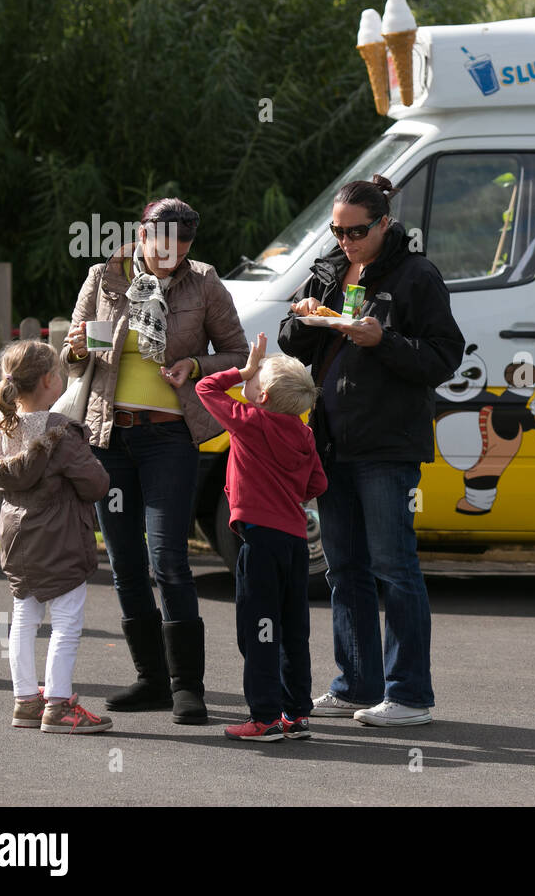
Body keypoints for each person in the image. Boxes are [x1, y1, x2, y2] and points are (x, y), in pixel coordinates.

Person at [279, 174, 464, 727]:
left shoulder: (417, 275)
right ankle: (355, 684)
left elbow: (443, 356)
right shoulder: (332, 270)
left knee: (394, 568)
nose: (345, 242)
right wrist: (306, 314)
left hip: (388, 444)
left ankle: (409, 696)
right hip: (332, 440)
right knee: (344, 569)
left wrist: (383, 341)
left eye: (356, 231)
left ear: (384, 224)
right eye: (337, 231)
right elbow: (293, 341)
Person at [64, 198, 248, 724]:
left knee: (169, 561)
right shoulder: (103, 276)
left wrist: (194, 362)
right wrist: (76, 347)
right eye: (162, 245)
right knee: (124, 564)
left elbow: (236, 354)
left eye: (182, 247)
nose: (171, 257)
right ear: (141, 236)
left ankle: (188, 687)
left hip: (170, 438)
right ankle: (151, 681)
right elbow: (69, 355)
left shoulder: (205, 282)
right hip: (110, 437)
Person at [0, 341, 113, 734]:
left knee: (24, 616)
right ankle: (59, 705)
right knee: (66, 620)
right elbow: (96, 483)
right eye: (59, 372)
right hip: (59, 537)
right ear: (49, 380)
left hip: (16, 536)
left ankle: (26, 700)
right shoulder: (57, 432)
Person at [196, 333, 327, 741]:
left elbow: (205, 386)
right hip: (293, 543)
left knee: (258, 629)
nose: (246, 386)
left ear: (264, 396)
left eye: (254, 383)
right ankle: (296, 713)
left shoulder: (249, 422)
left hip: (260, 543)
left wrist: (241, 368)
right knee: (292, 629)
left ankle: (265, 716)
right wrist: (286, 492)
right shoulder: (303, 434)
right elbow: (317, 483)